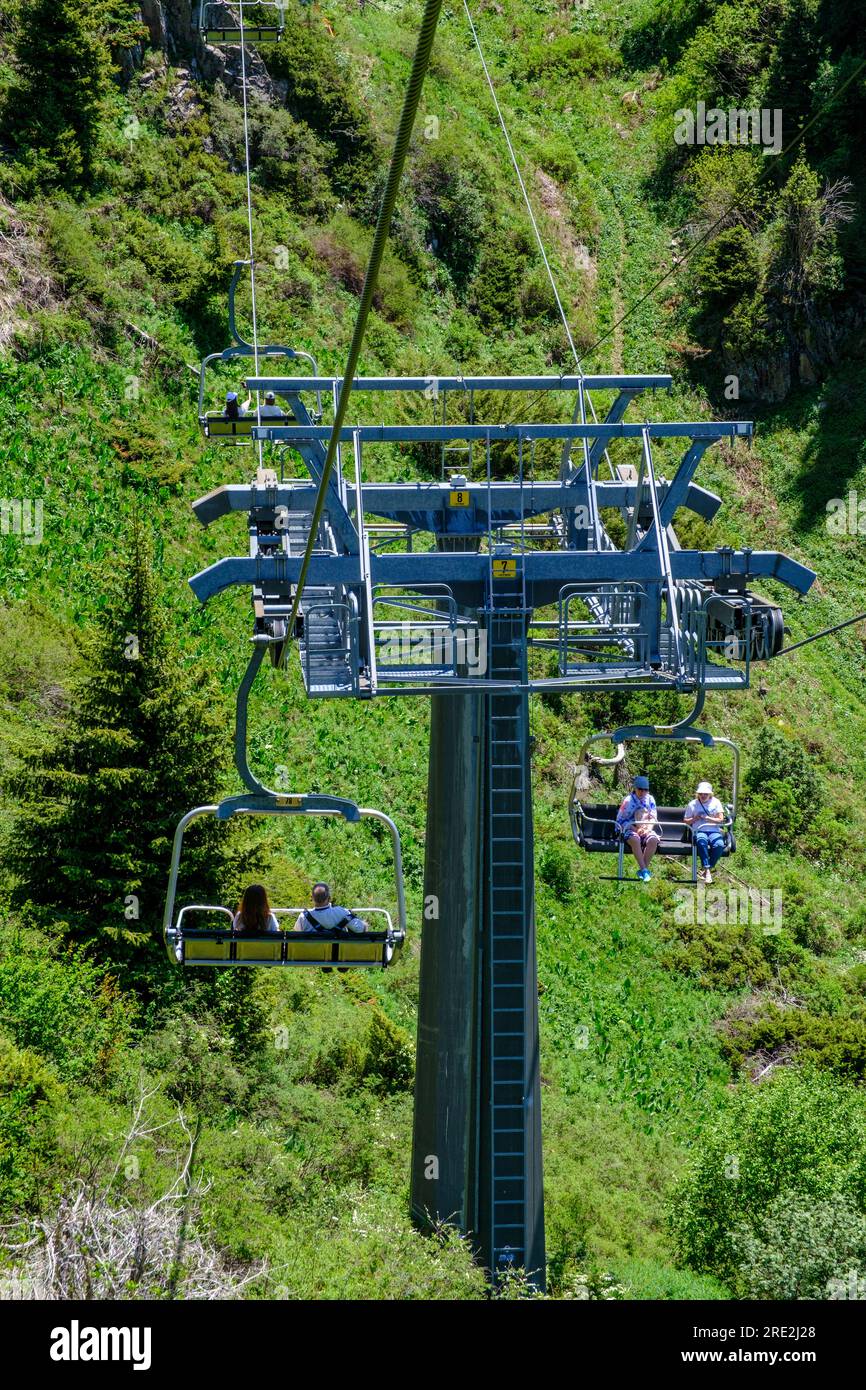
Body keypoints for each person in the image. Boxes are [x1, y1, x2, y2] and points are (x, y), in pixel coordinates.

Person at [615, 775, 660, 881]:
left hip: (645, 827)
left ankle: (643, 870)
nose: (643, 792)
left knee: (653, 840)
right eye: (640, 789)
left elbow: (653, 816)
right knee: (635, 839)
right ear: (635, 788)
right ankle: (644, 870)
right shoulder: (628, 801)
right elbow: (620, 820)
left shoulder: (650, 799)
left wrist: (648, 828)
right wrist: (635, 829)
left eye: (646, 790)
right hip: (628, 828)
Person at [684, 781, 727, 884]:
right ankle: (707, 870)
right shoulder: (693, 804)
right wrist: (695, 818)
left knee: (719, 844)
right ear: (697, 794)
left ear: (710, 794)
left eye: (705, 794)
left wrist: (709, 819)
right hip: (699, 830)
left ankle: (708, 868)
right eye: (701, 794)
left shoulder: (716, 802)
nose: (703, 796)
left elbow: (721, 819)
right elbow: (686, 820)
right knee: (701, 841)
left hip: (713, 830)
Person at [293, 882, 368, 935]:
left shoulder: (303, 917)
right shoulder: (341, 912)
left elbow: (297, 935)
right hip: (336, 956)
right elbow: (360, 929)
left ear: (312, 898)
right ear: (329, 898)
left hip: (312, 956)